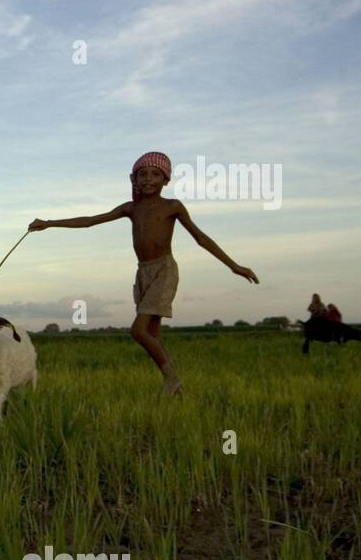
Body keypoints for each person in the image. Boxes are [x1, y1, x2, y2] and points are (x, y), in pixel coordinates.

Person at [28, 152, 259, 395]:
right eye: (142, 174)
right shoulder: (131, 208)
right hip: (143, 273)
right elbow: (90, 221)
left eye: (155, 174)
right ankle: (176, 389)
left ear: (166, 180)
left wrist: (234, 266)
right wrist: (50, 223)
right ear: (134, 179)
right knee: (152, 334)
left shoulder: (173, 206)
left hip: (164, 270)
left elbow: (201, 238)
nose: (148, 179)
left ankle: (172, 379)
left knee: (138, 331)